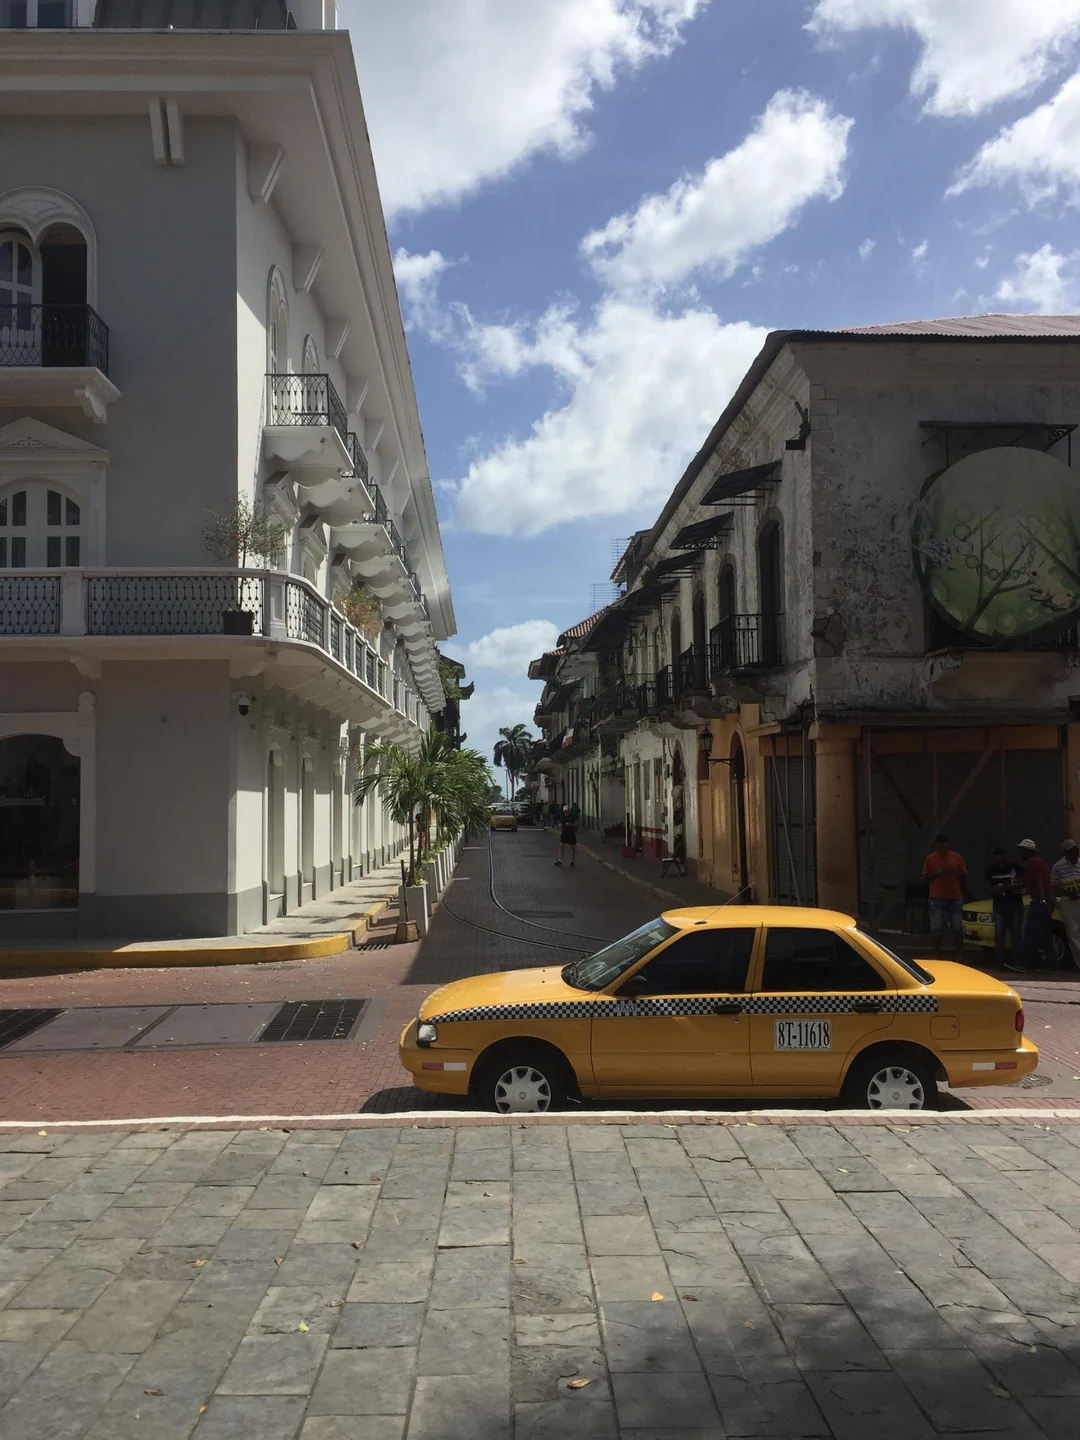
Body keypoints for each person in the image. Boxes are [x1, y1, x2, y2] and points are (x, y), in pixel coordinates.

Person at [1010, 838, 1055, 974]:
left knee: (1031, 933)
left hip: (1040, 900)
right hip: (1046, 899)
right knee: (1046, 935)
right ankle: (1053, 965)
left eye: (1022, 850)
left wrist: (1041, 900)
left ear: (1027, 851)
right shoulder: (1040, 862)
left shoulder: (1032, 863)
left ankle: (1022, 964)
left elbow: (1039, 882)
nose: (1020, 852)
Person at [922, 834, 967, 956]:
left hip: (954, 897)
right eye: (940, 846)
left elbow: (964, 876)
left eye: (945, 846)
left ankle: (960, 955)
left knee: (957, 928)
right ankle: (936, 954)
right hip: (937, 898)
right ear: (936, 846)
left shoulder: (956, 857)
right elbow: (925, 876)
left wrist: (955, 872)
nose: (943, 848)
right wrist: (939, 873)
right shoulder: (930, 858)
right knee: (936, 928)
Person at [985, 846, 1025, 968]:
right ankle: (1000, 962)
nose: (1000, 859)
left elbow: (1023, 884)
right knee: (999, 933)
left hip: (1014, 902)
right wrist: (995, 889)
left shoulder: (1015, 868)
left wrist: (1010, 887)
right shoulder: (991, 870)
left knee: (1016, 933)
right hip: (999, 903)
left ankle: (1018, 962)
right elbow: (987, 887)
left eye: (1001, 856)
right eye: (997, 857)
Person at [1051, 839, 1080, 969]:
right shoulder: (1058, 867)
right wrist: (1068, 893)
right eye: (1071, 852)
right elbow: (1054, 887)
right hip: (1068, 903)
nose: (1074, 854)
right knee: (1073, 934)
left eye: (1076, 851)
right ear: (1066, 853)